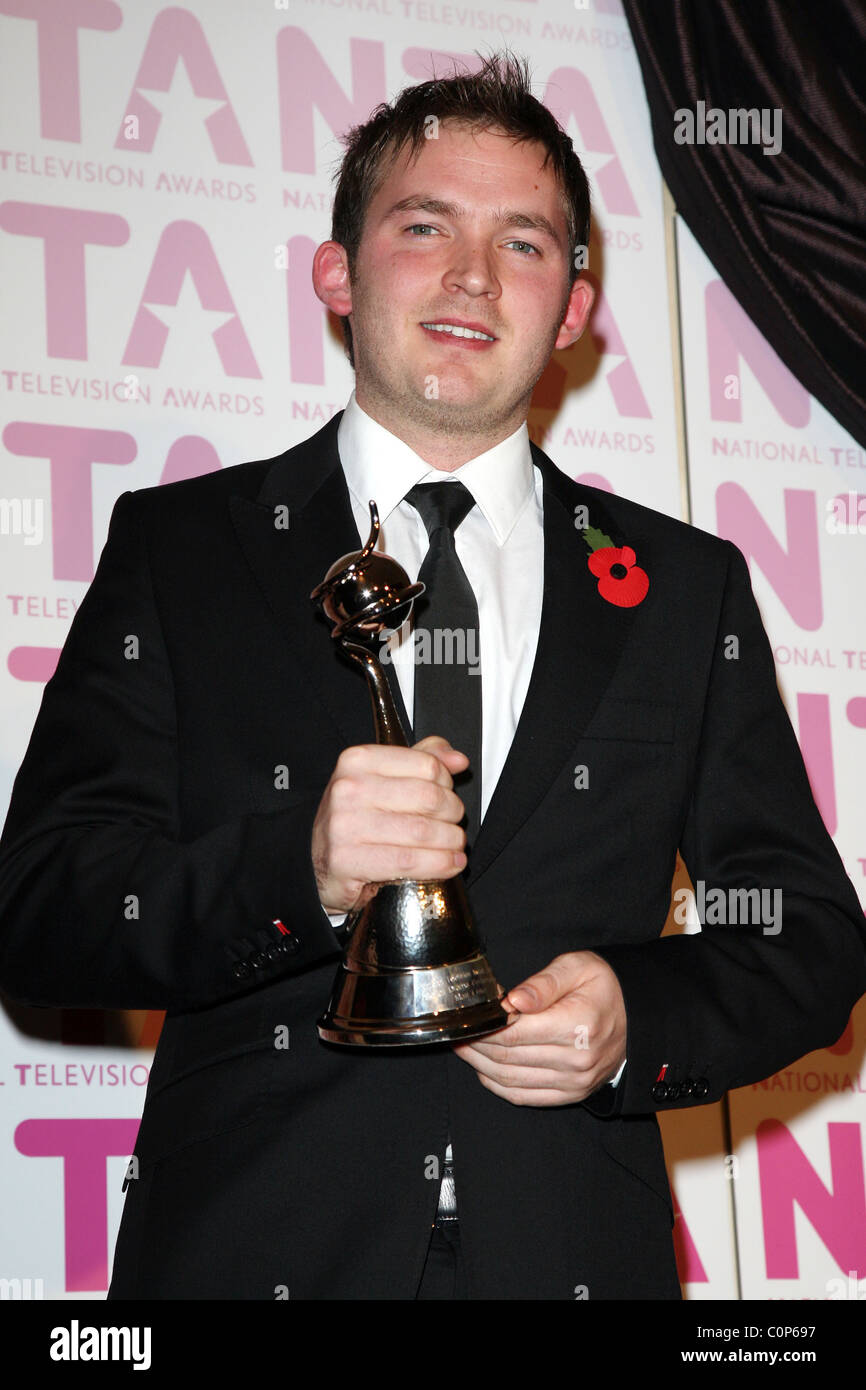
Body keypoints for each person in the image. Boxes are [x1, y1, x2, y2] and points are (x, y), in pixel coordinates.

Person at [0, 52, 863, 1302]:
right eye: (423, 226)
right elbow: (43, 910)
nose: (469, 275)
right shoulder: (182, 549)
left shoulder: (682, 588)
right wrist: (293, 867)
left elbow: (803, 933)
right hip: (250, 1255)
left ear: (570, 311)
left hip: (569, 1254)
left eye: (522, 243)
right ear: (338, 273)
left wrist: (638, 1014)